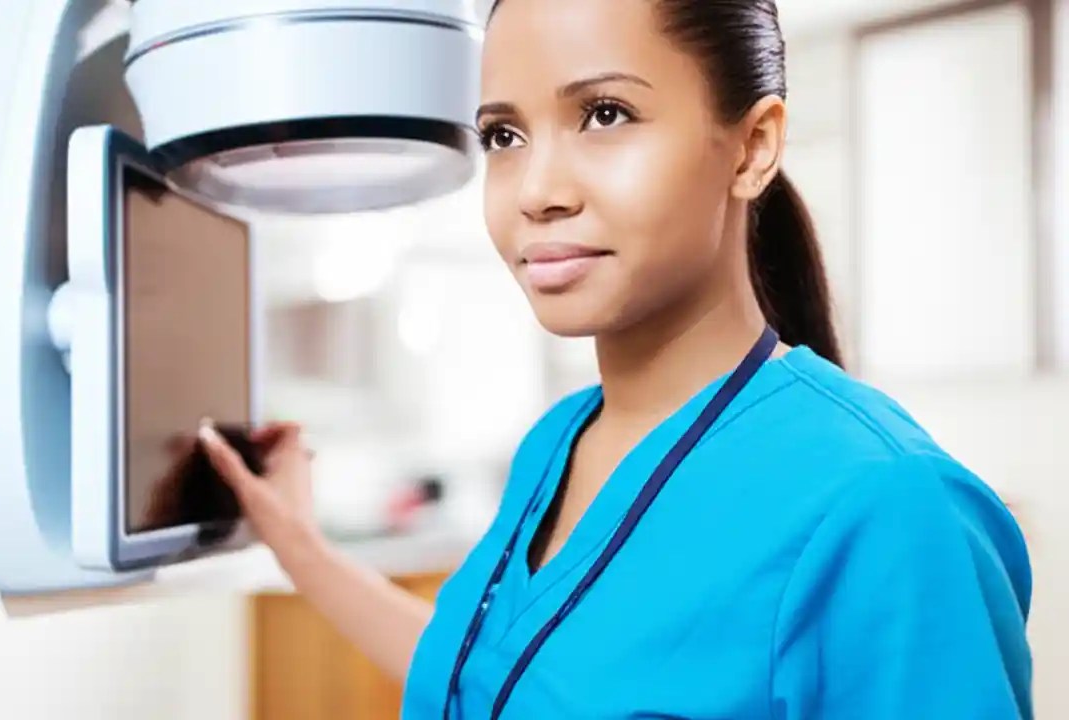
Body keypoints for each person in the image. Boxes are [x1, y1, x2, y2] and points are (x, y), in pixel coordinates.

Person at [196, 0, 1034, 717]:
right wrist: (299, 546)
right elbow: (501, 686)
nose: (536, 189)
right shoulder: (556, 445)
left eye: (605, 114)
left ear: (752, 148)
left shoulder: (886, 505)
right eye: (504, 134)